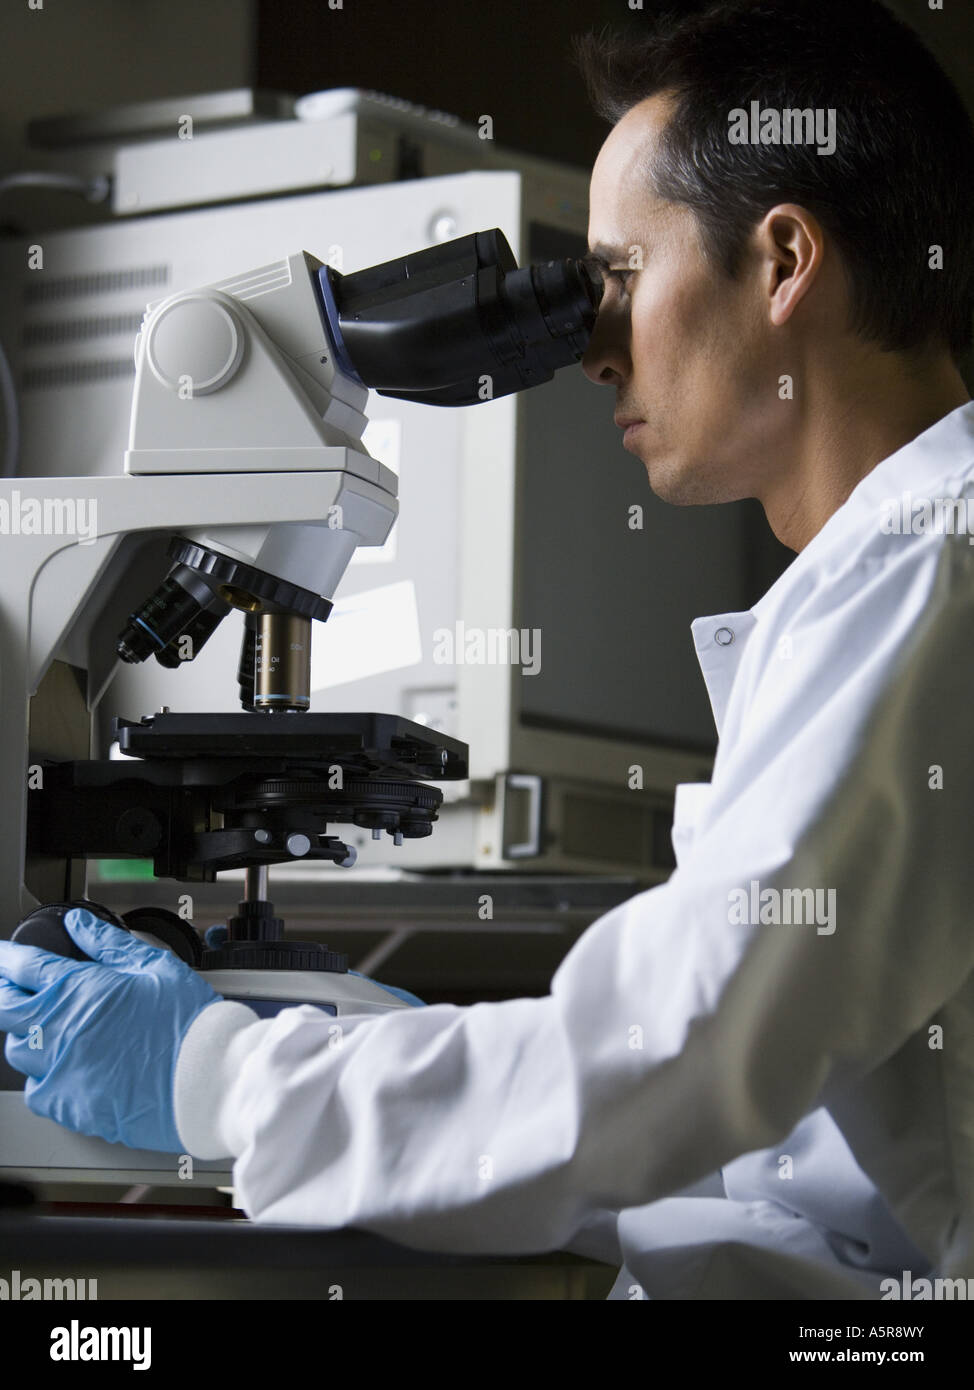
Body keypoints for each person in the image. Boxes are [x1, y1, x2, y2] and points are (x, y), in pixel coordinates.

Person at [3, 0, 974, 1299]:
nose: (589, 346)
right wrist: (420, 1070)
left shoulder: (924, 563)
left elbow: (681, 1053)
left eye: (617, 277)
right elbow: (787, 1160)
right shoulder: (900, 566)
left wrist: (222, 1079)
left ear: (783, 259)